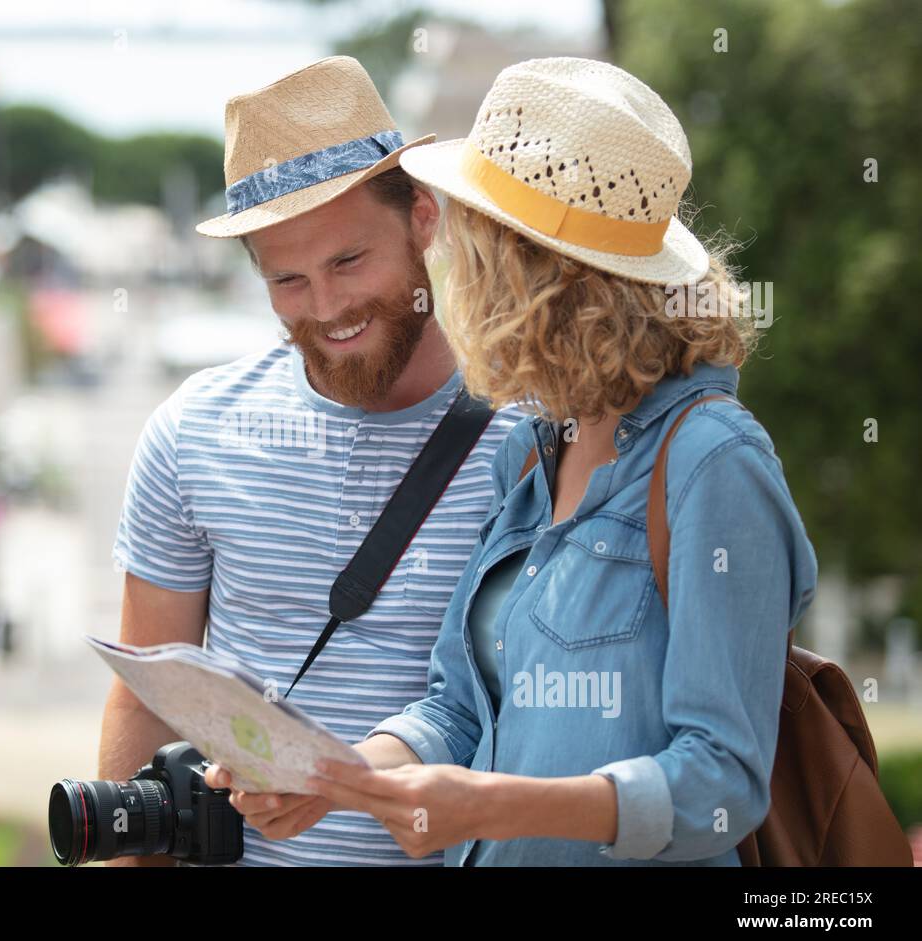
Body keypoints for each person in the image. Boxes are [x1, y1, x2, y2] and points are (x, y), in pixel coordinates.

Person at [229, 57, 819, 865]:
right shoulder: (531, 450)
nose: (447, 266)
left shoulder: (715, 464)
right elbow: (460, 712)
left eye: (467, 238)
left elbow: (722, 784)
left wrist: (490, 805)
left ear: (527, 275)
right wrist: (334, 777)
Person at [102, 56, 526, 866]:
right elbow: (145, 698)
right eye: (287, 279)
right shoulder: (192, 433)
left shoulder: (536, 437)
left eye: (348, 262)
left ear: (423, 220)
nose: (327, 308)